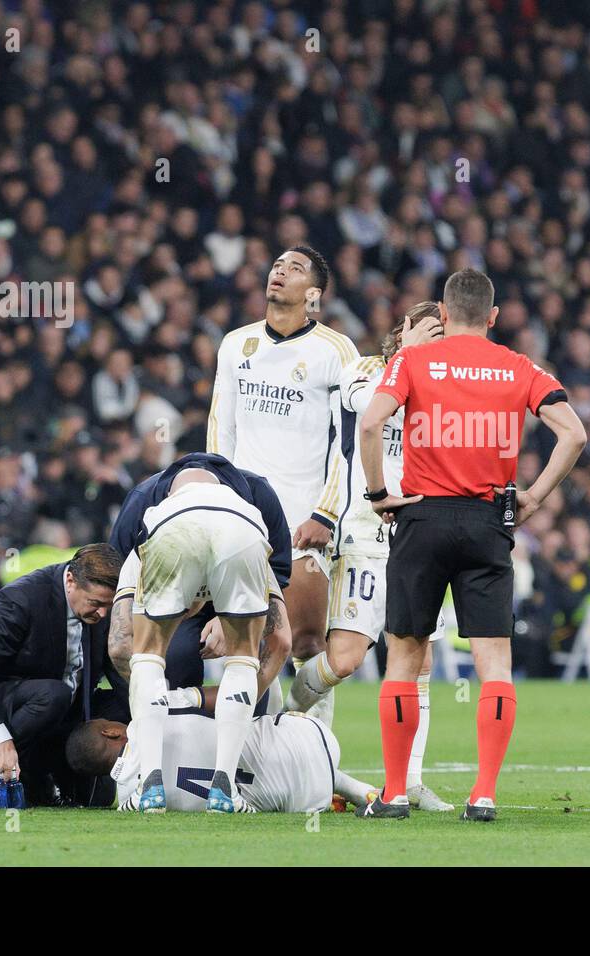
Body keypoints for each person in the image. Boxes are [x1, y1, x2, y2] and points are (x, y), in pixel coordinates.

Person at [359, 268, 587, 821]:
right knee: (494, 663)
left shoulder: (411, 361)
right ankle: (483, 794)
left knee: (406, 658)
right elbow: (575, 434)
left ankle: (393, 793)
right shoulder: (519, 366)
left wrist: (377, 494)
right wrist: (533, 496)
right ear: (493, 316)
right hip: (489, 522)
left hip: (421, 518)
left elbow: (369, 425)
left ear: (441, 311)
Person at [284, 301, 453, 811]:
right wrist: (413, 356)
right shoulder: (366, 368)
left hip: (422, 536)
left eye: (442, 333)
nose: (433, 339)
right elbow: (364, 408)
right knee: (345, 659)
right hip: (364, 532)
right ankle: (282, 721)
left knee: (419, 663)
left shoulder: (448, 386)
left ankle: (412, 782)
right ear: (401, 330)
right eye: (425, 329)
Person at [207, 245, 358, 728]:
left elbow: (348, 445)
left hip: (302, 520)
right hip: (244, 518)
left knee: (309, 641)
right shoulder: (236, 344)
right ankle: (250, 746)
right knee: (247, 640)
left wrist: (326, 513)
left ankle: (313, 745)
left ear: (313, 293)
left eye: (294, 269)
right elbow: (220, 431)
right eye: (276, 265)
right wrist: (217, 501)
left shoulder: (336, 351)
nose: (279, 273)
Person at [123, 469, 275, 814]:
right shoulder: (251, 508)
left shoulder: (154, 512)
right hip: (244, 532)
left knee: (147, 657)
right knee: (243, 660)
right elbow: (280, 639)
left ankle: (149, 789)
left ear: (171, 490)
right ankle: (224, 792)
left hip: (172, 531)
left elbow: (120, 640)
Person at [0, 543, 126, 806]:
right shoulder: (22, 600)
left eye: (109, 605)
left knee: (132, 699)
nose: (104, 613)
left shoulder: (103, 609)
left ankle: (116, 773)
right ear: (70, 581)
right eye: (96, 603)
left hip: (61, 713)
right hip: (13, 710)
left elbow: (119, 675)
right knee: (53, 694)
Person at [108, 452, 293, 708]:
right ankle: (175, 721)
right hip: (174, 597)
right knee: (175, 658)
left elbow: (278, 571)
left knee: (251, 658)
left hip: (240, 590)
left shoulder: (259, 495)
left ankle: (256, 713)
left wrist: (229, 616)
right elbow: (118, 578)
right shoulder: (142, 503)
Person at [65, 687, 377, 813]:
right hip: (315, 739)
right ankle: (360, 791)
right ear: (111, 730)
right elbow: (234, 694)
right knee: (251, 712)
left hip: (303, 803)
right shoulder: (151, 715)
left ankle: (350, 789)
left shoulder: (130, 800)